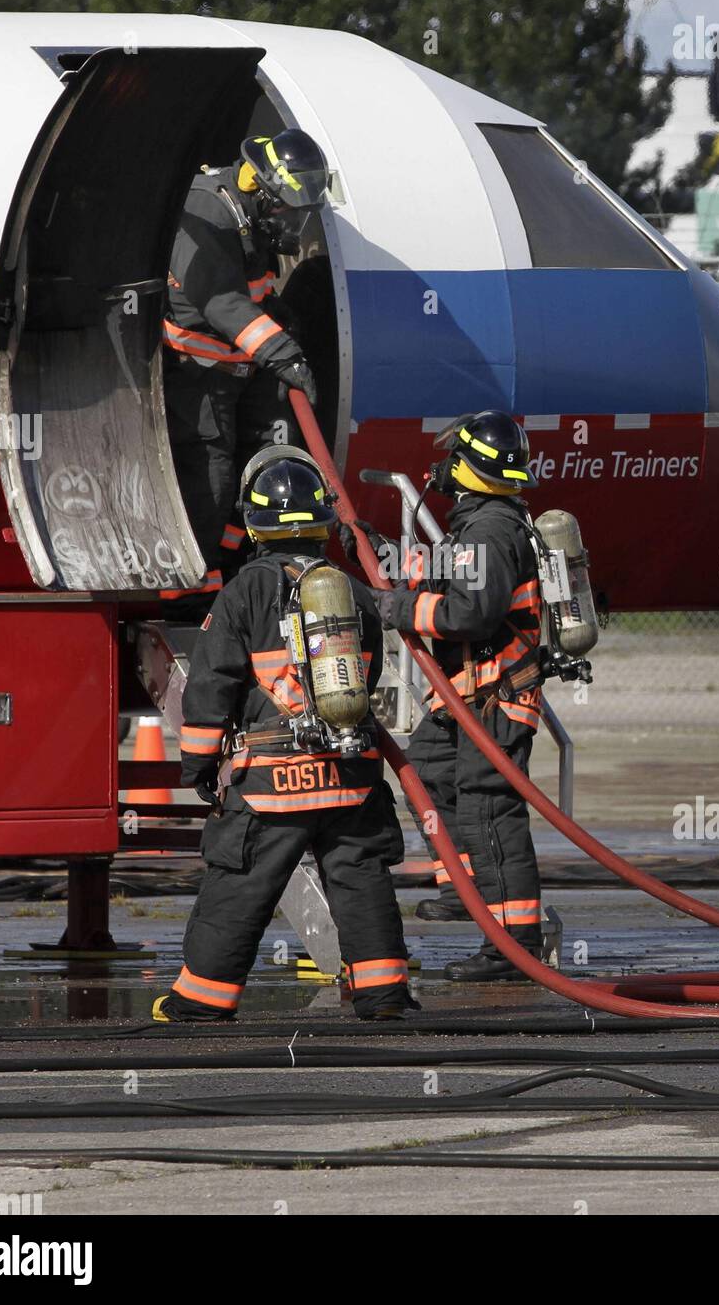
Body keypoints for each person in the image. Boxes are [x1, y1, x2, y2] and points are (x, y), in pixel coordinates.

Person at [153, 445, 416, 1022]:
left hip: (273, 783)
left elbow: (210, 685)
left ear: (254, 524)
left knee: (240, 884)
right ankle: (384, 994)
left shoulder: (243, 592)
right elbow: (365, 671)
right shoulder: (348, 590)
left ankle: (201, 1002)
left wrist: (199, 767)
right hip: (351, 776)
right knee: (360, 879)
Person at [371, 412, 546, 982]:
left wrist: (403, 610)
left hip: (495, 699)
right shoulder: (479, 524)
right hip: (468, 698)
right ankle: (465, 889)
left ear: (466, 465)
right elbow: (444, 572)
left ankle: (513, 945)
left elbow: (472, 611)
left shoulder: (492, 529)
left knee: (490, 813)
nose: (441, 467)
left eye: (451, 457)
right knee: (428, 771)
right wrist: (377, 551)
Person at [161, 130, 326, 607]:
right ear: (258, 187)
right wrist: (285, 354)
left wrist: (279, 317)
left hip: (237, 377)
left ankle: (233, 572)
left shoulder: (247, 215)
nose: (292, 222)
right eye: (286, 209)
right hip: (198, 379)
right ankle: (190, 598)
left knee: (249, 471)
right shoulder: (207, 213)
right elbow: (222, 303)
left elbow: (253, 290)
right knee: (210, 482)